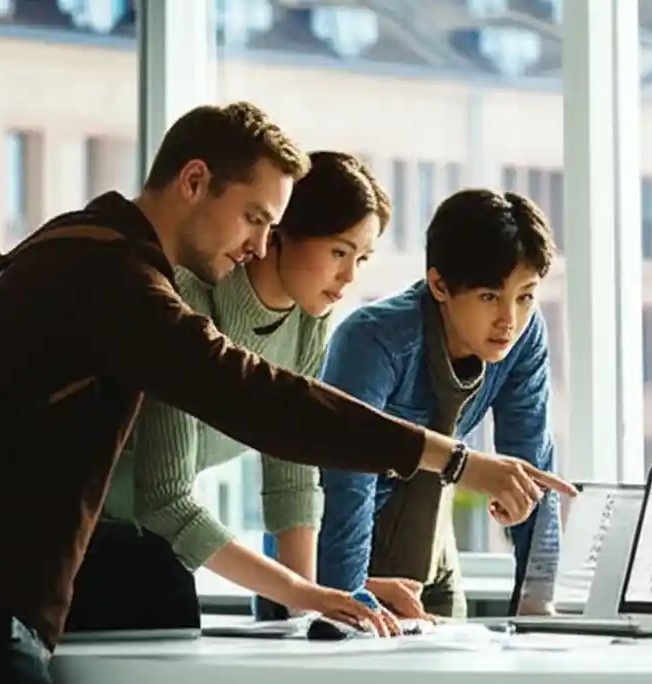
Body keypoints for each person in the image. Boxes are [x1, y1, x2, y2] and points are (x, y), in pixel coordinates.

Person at [0, 101, 575, 684]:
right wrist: (450, 458)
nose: (261, 243)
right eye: (255, 217)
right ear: (195, 181)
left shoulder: (92, 249)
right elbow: (257, 398)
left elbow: (284, 450)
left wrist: (313, 598)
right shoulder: (122, 282)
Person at [64, 151, 404, 647]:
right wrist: (301, 590)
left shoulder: (310, 323)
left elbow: (294, 474)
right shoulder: (187, 297)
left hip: (145, 547)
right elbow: (166, 501)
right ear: (282, 232)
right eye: (339, 251)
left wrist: (309, 613)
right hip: (81, 540)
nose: (350, 277)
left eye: (363, 258)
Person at [316, 189, 563, 621]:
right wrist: (349, 600)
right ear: (439, 285)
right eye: (490, 296)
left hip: (434, 554)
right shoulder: (374, 341)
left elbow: (532, 462)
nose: (509, 319)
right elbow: (347, 486)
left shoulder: (524, 337)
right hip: (340, 558)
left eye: (525, 296)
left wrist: (538, 603)